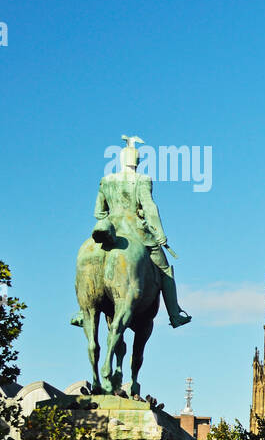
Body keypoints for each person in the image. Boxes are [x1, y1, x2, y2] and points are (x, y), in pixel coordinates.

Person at [72, 136, 191, 328]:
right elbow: (150, 208)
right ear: (137, 161)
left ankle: (81, 310)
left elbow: (98, 213)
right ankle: (175, 315)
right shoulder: (142, 180)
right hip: (136, 231)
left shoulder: (107, 180)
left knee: (88, 263)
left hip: (111, 230)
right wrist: (160, 233)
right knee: (165, 271)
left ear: (120, 160)